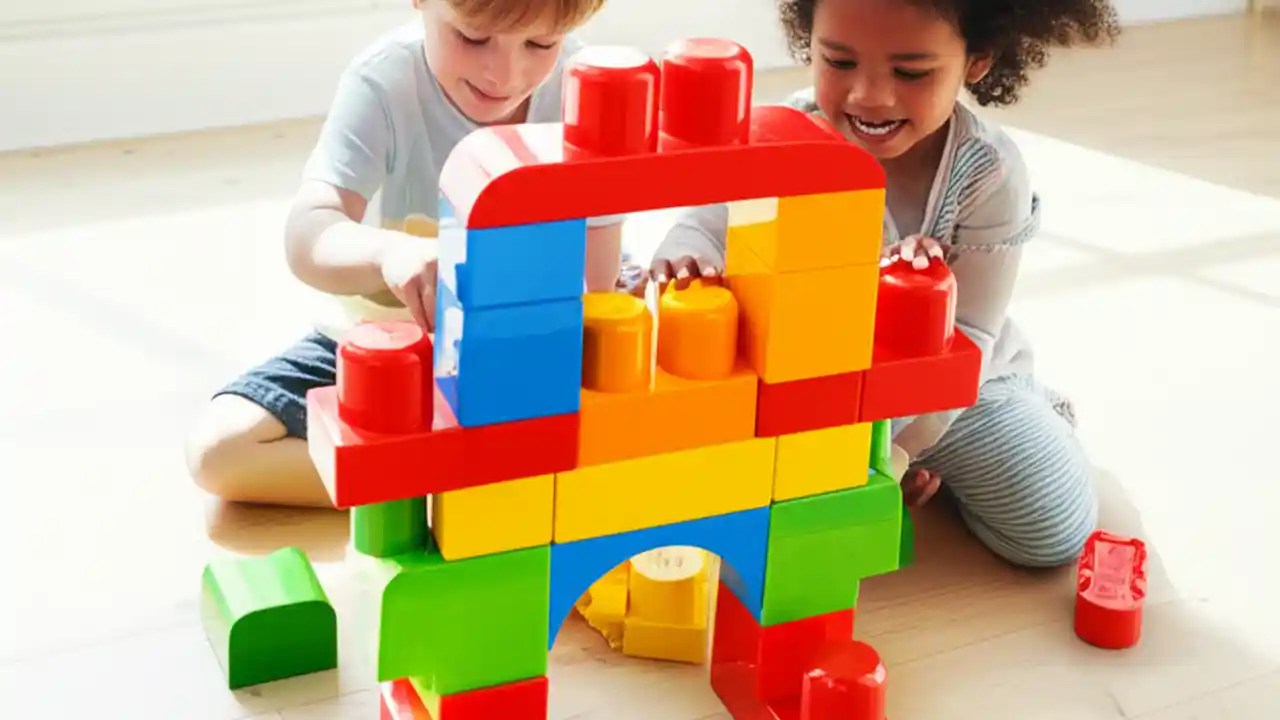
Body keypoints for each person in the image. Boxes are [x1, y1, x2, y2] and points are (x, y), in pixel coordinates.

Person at [643, 0, 1121, 568]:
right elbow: (702, 226)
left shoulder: (988, 173)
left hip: (947, 397)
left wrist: (880, 460)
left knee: (1050, 533)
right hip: (799, 378)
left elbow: (969, 338)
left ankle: (1035, 414)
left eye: (911, 72)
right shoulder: (784, 137)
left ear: (977, 60)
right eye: (839, 62)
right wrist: (686, 259)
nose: (869, 96)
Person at [185, 0, 620, 508]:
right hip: (382, 343)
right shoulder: (385, 84)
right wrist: (388, 253)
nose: (504, 75)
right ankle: (450, 486)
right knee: (220, 450)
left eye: (541, 44)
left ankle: (452, 480)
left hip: (521, 352)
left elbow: (597, 283)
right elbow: (308, 232)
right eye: (473, 38)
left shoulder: (585, 90)